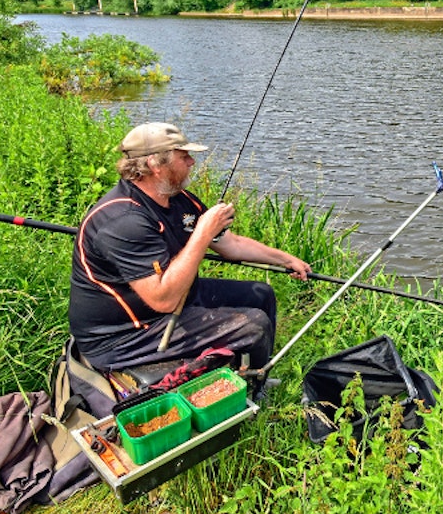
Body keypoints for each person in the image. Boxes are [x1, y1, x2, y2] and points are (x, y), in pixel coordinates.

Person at [68, 122, 310, 375]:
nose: (192, 162)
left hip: (175, 296)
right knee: (253, 326)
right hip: (124, 335)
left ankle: (253, 374)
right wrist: (203, 232)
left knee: (261, 294)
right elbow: (163, 300)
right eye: (184, 156)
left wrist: (285, 259)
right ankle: (248, 386)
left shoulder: (178, 199)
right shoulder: (123, 220)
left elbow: (231, 244)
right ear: (155, 164)